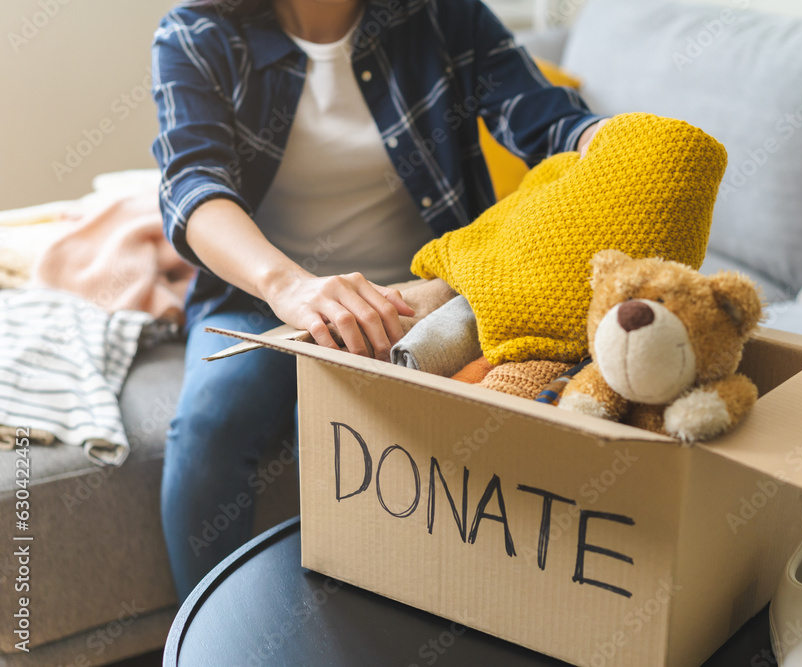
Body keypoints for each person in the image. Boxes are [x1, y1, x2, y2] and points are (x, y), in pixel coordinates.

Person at [151, 0, 608, 601]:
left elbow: (550, 121)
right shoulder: (196, 31)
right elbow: (191, 182)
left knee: (346, 430)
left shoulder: (445, 15)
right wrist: (290, 287)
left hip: (418, 300)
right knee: (210, 426)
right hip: (264, 296)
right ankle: (205, 631)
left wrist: (629, 145)